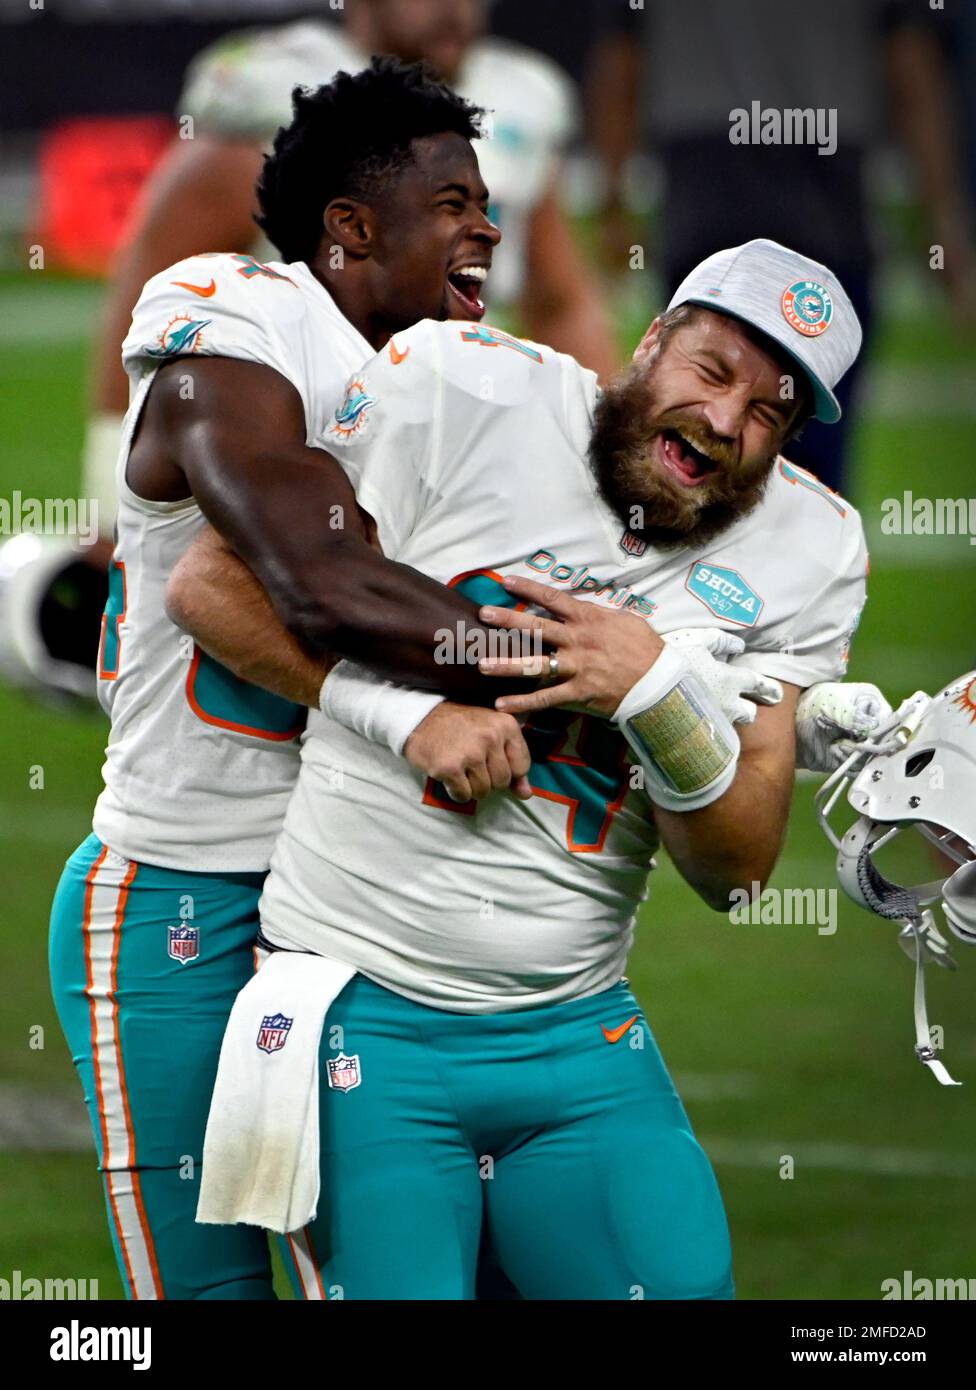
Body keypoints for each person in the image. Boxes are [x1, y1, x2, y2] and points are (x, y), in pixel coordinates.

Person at [173, 238, 874, 1298]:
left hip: (575, 1030)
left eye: (771, 412)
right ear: (650, 342)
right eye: (713, 371)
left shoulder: (807, 549)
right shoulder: (463, 388)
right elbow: (211, 584)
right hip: (363, 1007)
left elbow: (735, 871)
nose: (728, 424)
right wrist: (403, 714)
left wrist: (655, 698)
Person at [47, 57, 539, 1302]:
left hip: (364, 901)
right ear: (351, 226)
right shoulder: (232, 317)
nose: (486, 226)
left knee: (397, 1279)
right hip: (184, 886)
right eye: (454, 201)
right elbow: (318, 579)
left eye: (486, 201)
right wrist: (558, 668)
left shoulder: (456, 380)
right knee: (201, 1296)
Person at [82, 0, 617, 538]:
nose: (456, 8)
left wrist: (607, 453)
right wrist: (115, 507)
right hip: (297, 425)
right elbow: (151, 299)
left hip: (455, 425)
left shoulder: (523, 96)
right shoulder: (275, 91)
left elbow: (560, 301)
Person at [587, 0, 976, 495]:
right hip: (818, 205)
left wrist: (614, 202)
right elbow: (912, 61)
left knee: (699, 449)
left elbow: (620, 56)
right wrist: (944, 220)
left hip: (714, 202)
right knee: (805, 472)